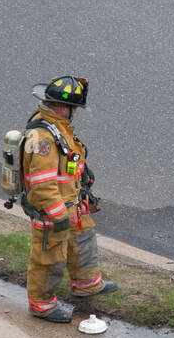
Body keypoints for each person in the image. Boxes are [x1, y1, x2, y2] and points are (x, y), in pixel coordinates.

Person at [21, 75, 115, 322]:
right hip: (53, 211)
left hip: (72, 203)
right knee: (49, 258)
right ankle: (42, 305)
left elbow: (67, 161)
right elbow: (42, 185)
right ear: (63, 107)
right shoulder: (43, 138)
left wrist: (83, 172)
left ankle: (87, 284)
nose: (74, 112)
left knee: (83, 242)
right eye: (73, 108)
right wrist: (58, 215)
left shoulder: (57, 127)